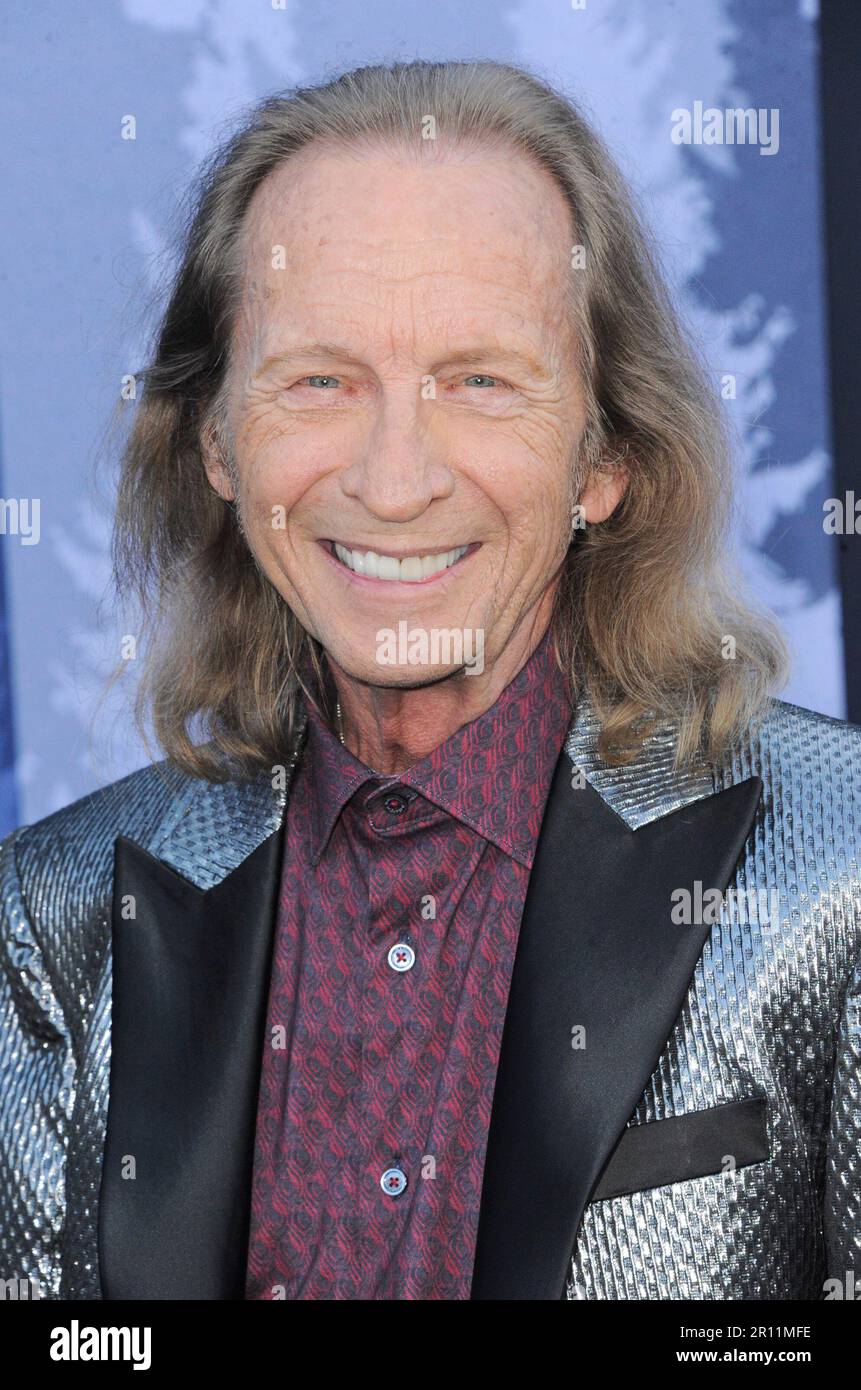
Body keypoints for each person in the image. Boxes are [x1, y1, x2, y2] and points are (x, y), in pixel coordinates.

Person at [1, 59, 858, 1302]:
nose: (394, 482)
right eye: (318, 381)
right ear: (219, 446)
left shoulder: (835, 867)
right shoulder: (57, 920)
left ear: (604, 458)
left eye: (480, 382)